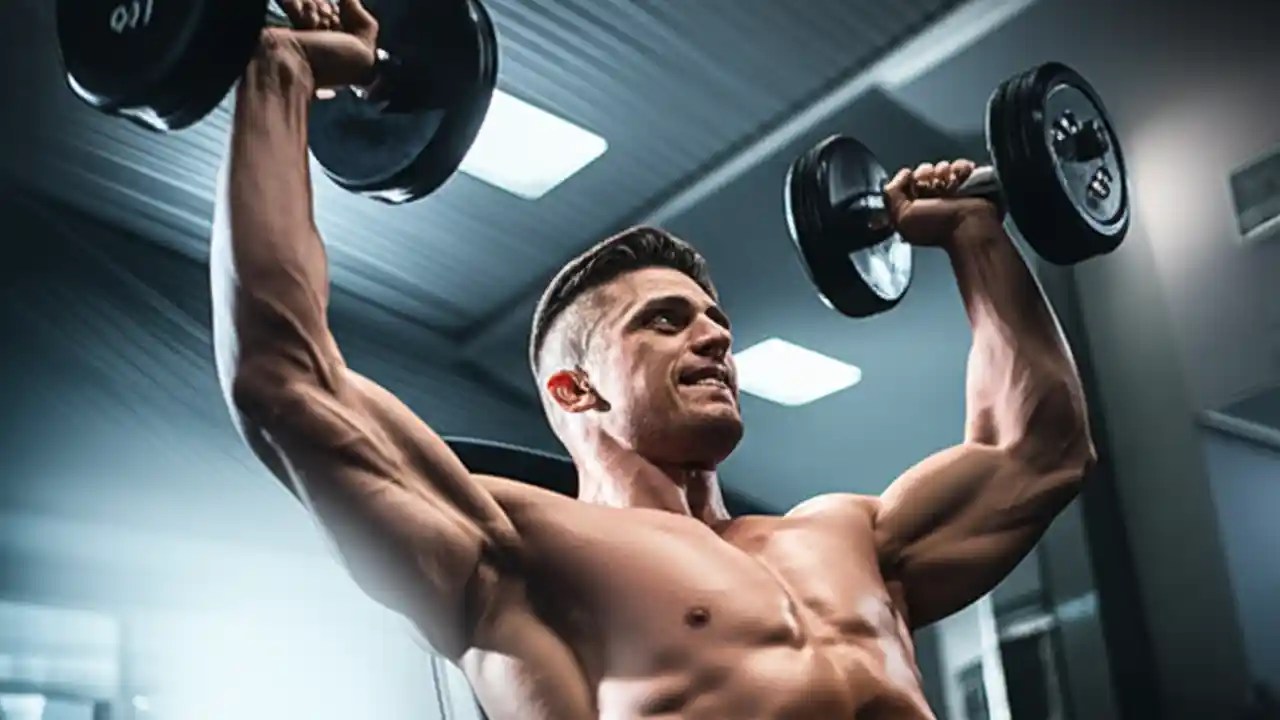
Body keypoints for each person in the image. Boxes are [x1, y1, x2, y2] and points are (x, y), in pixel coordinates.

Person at [211, 1, 1097, 718]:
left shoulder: (849, 536)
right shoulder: (520, 550)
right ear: (573, 385)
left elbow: (1039, 452)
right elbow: (285, 379)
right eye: (665, 322)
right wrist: (281, 76)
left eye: (716, 322)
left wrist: (976, 236)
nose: (715, 338)